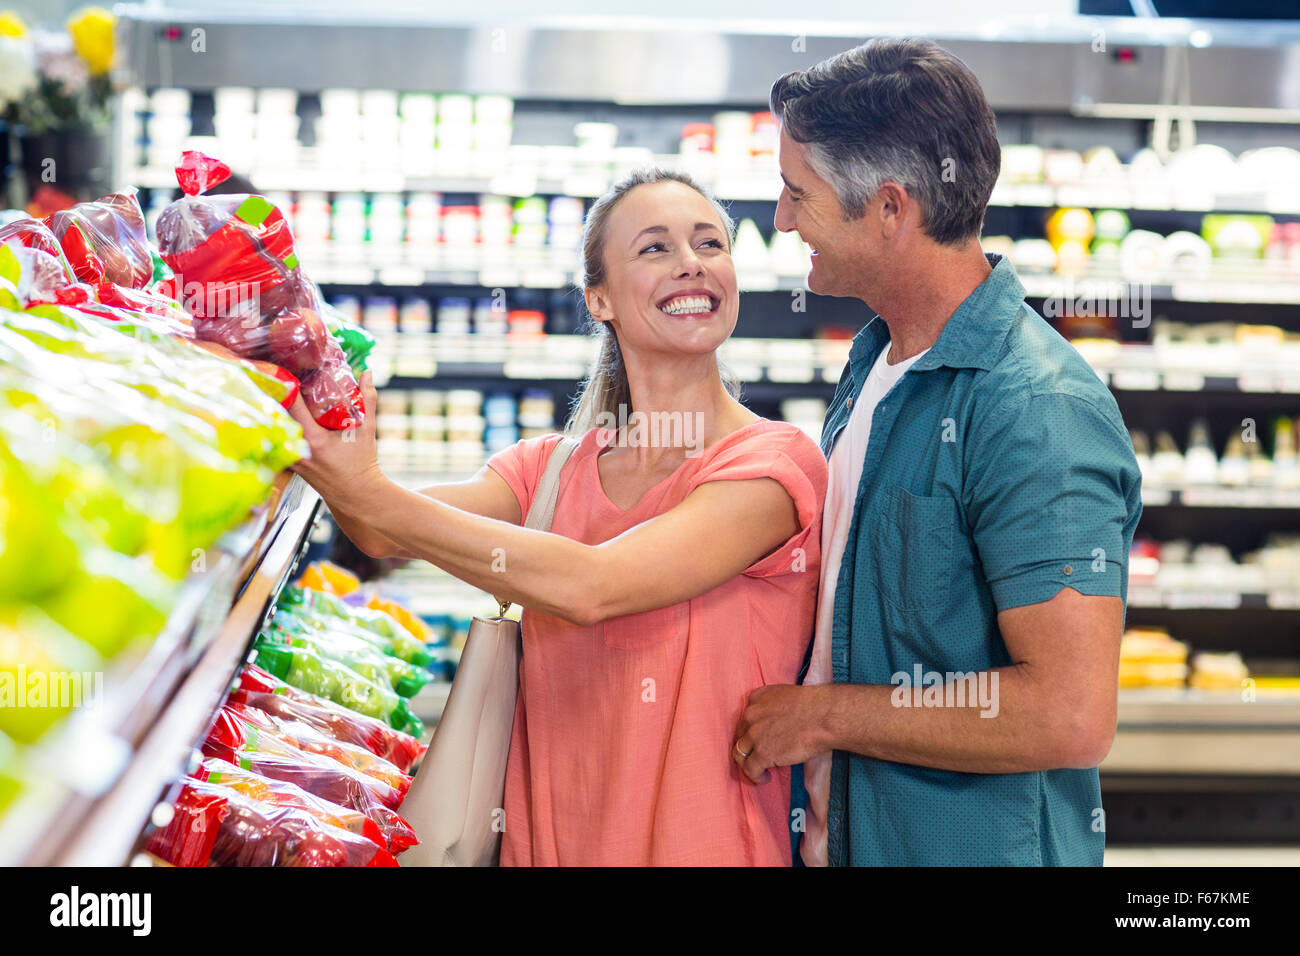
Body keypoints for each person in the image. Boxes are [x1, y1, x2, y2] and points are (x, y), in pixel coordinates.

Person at [287, 167, 828, 866]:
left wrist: (365, 485)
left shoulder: (773, 466)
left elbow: (593, 586)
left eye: (710, 244)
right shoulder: (549, 471)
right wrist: (311, 410)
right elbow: (381, 529)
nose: (692, 263)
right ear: (598, 299)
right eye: (656, 248)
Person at [731, 38, 1142, 866]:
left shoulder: (1035, 407)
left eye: (796, 192)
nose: (780, 218)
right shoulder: (877, 360)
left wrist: (825, 715)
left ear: (890, 208)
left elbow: (1070, 713)